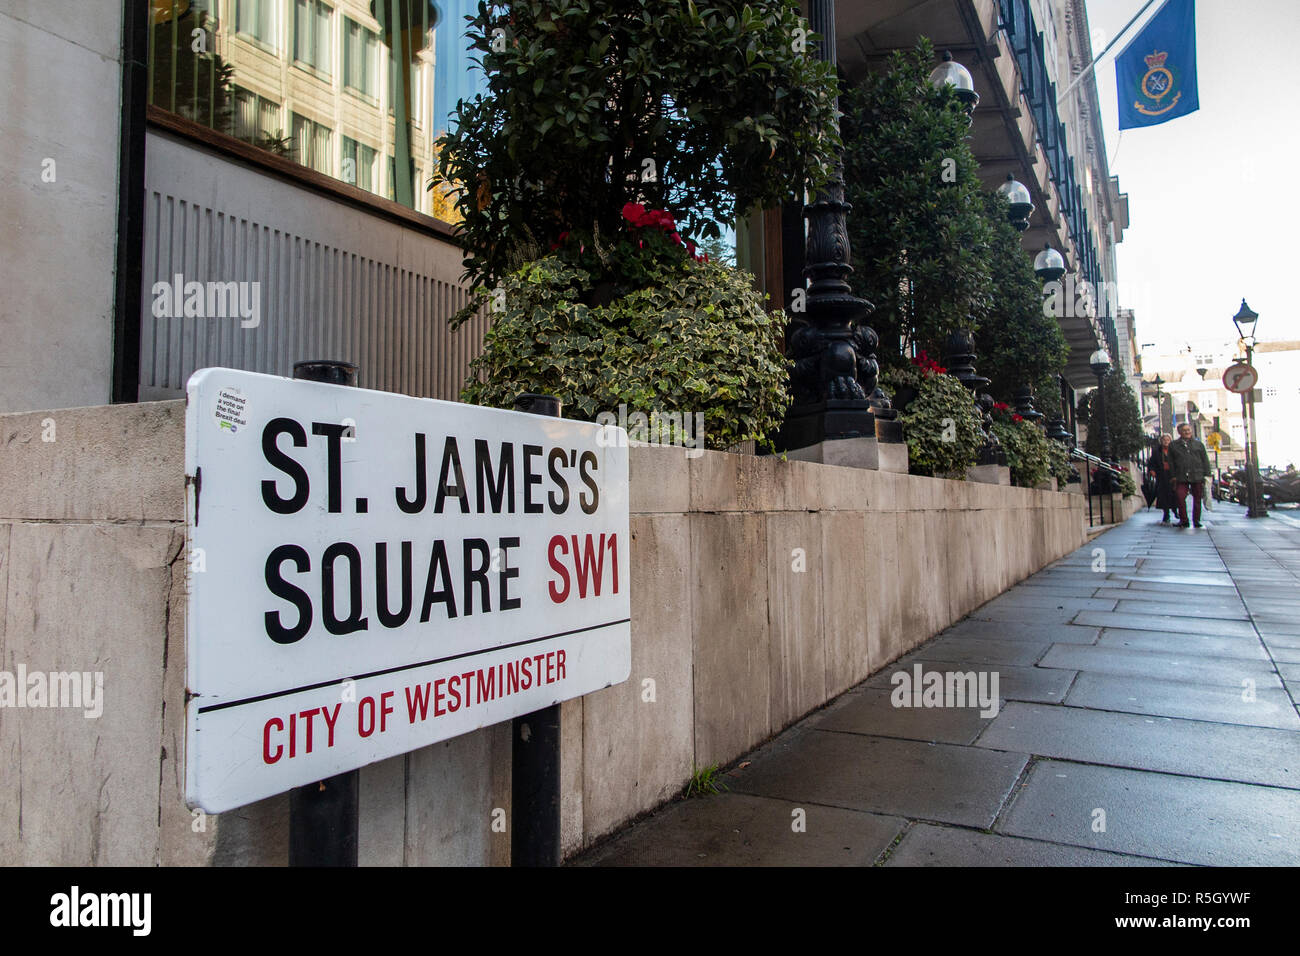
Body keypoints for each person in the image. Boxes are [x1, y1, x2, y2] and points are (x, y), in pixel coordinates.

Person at [1168, 423, 1213, 528]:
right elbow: (1171, 462)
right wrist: (1173, 476)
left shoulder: (1199, 445)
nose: (1187, 432)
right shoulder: (1173, 445)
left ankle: (1196, 520)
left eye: (1188, 430)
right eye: (1184, 430)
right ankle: (1184, 520)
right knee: (1180, 497)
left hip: (1197, 475)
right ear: (1179, 432)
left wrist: (1207, 474)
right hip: (1181, 476)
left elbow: (1205, 460)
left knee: (1197, 498)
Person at [1146, 433, 1177, 523]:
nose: (1166, 442)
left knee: (1174, 494)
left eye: (1168, 440)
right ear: (1161, 441)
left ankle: (1175, 510)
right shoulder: (1157, 452)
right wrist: (1152, 471)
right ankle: (1166, 514)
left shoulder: (1174, 451)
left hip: (1173, 476)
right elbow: (1151, 463)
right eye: (1164, 440)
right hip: (1162, 476)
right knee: (1164, 495)